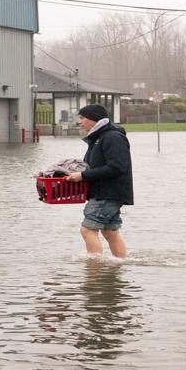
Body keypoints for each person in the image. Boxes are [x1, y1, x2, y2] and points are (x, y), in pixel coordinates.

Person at [65, 104, 133, 258]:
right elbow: (95, 166)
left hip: (108, 194)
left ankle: (95, 272)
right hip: (106, 193)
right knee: (110, 232)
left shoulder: (112, 137)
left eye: (82, 118)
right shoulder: (98, 137)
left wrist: (83, 176)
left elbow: (117, 167)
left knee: (88, 230)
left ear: (94, 119)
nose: (79, 121)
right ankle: (119, 265)